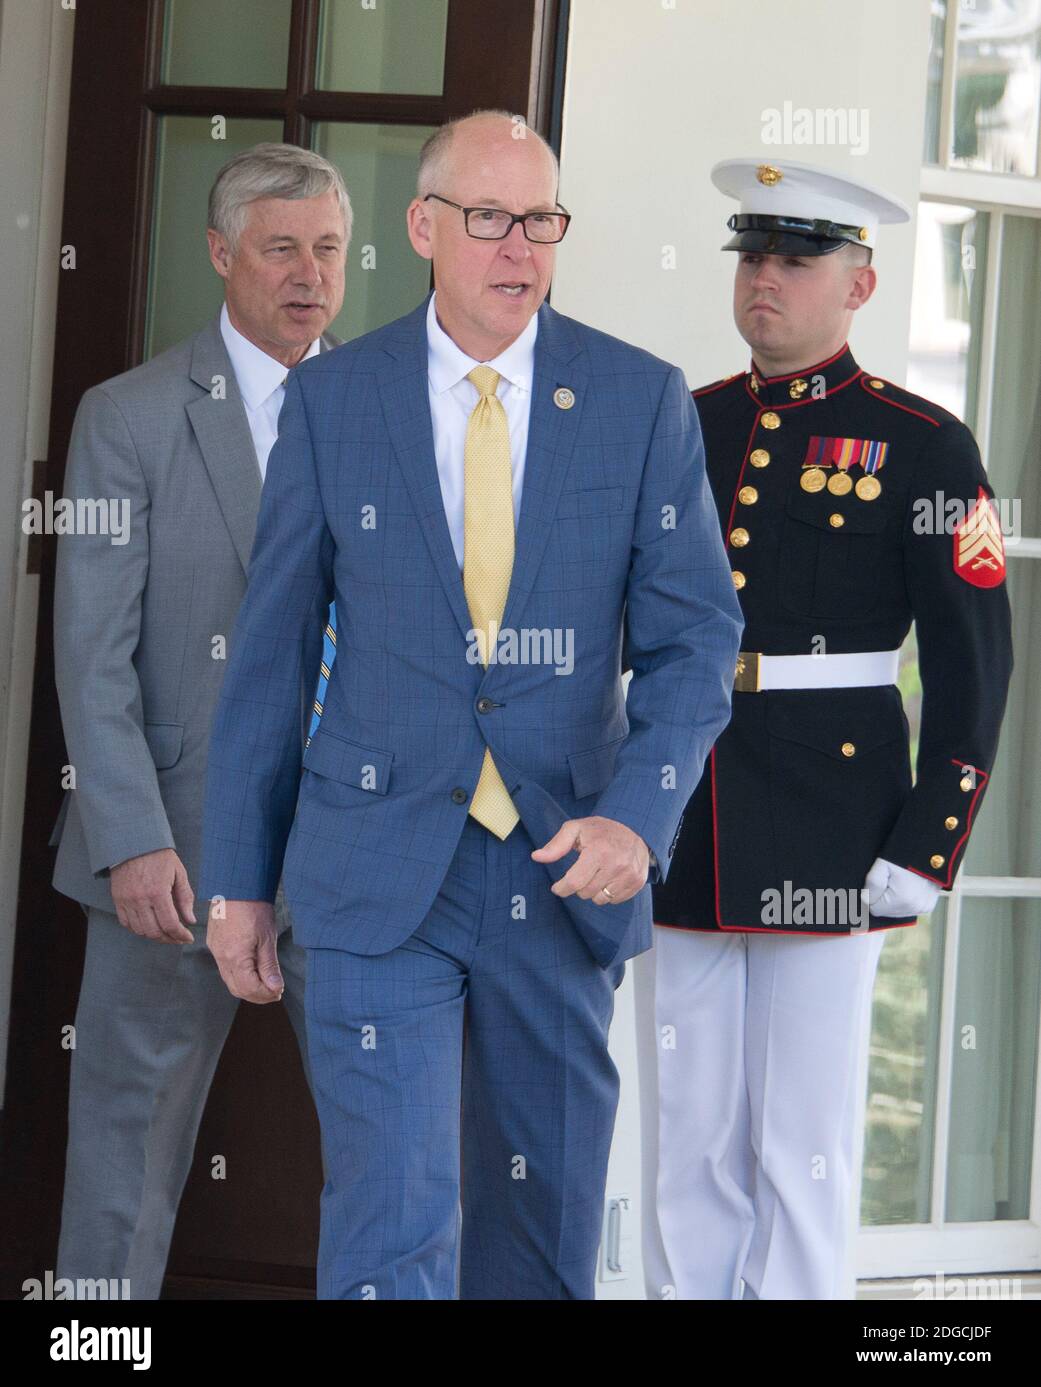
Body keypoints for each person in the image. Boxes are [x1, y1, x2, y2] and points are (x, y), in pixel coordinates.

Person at [198, 110, 743, 1300]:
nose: (519, 248)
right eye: (488, 218)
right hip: (376, 866)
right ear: (422, 227)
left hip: (560, 868)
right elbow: (273, 655)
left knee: (538, 1230)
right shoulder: (335, 401)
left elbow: (697, 641)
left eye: (540, 221)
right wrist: (237, 876)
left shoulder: (639, 399)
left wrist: (636, 818)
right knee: (395, 1214)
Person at [636, 158, 1013, 1300]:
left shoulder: (924, 442)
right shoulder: (681, 421)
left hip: (834, 820)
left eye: (797, 262)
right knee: (684, 1128)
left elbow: (973, 660)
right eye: (754, 256)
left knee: (801, 1139)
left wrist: (929, 841)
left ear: (860, 284)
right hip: (681, 807)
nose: (766, 279)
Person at [50, 143, 347, 1298]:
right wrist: (129, 837)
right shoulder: (126, 417)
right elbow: (92, 655)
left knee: (396, 1150)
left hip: (354, 846)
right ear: (221, 253)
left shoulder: (392, 409)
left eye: (328, 248)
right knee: (124, 1155)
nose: (310, 275)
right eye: (281, 249)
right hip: (172, 848)